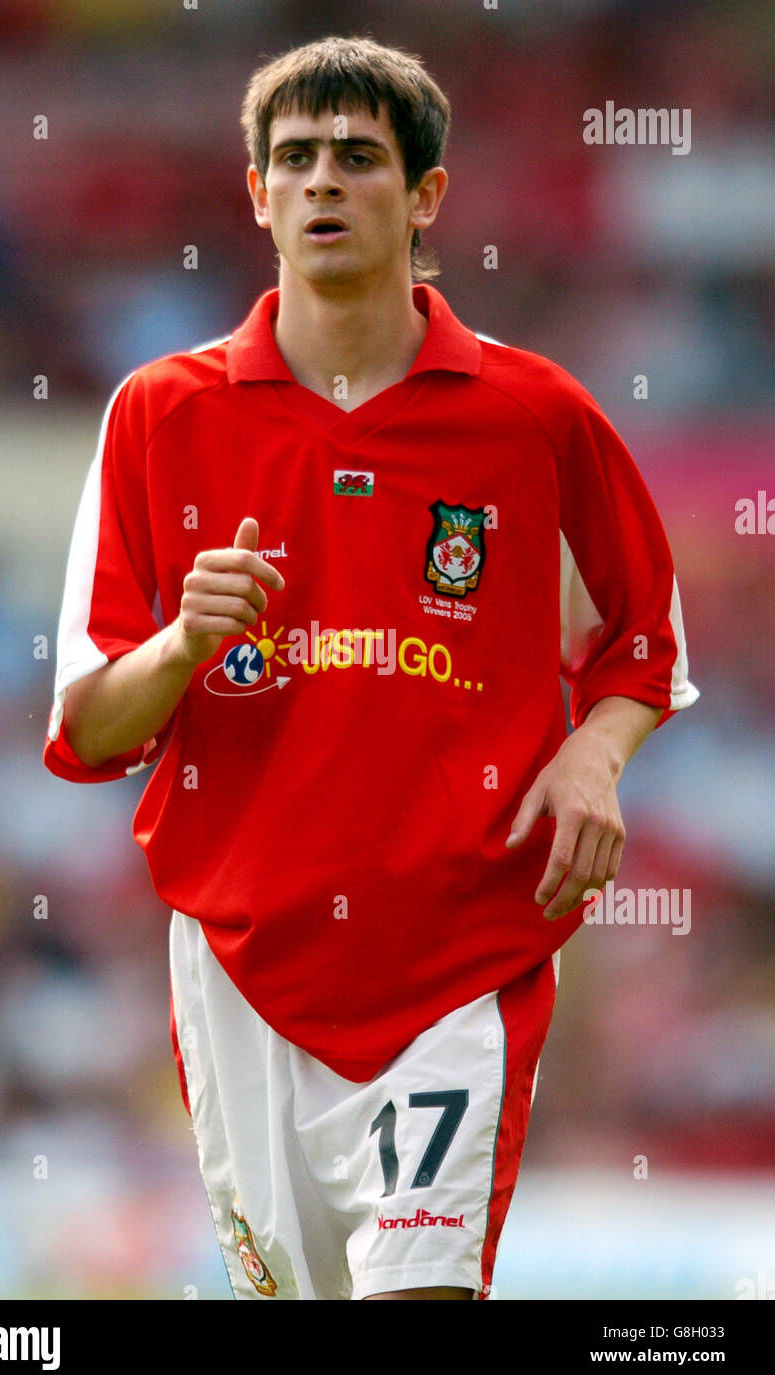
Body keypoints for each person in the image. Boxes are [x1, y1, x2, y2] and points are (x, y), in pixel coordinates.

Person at [43, 35, 699, 1301]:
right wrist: (184, 642)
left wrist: (592, 750)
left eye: (357, 156)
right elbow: (85, 728)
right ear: (253, 193)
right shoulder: (157, 415)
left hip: (461, 953)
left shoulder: (533, 413)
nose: (322, 182)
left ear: (426, 195)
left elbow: (646, 632)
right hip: (242, 967)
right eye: (293, 159)